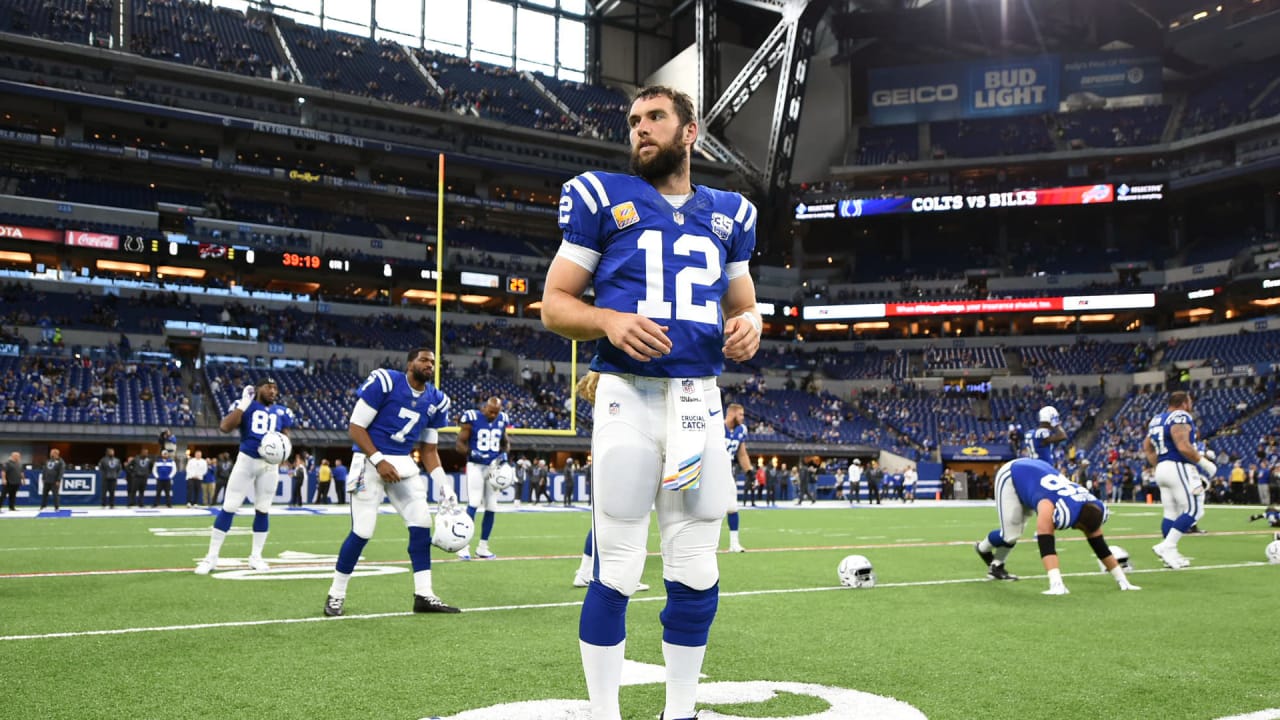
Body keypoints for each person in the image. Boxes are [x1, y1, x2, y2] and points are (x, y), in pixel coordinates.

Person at [541, 84, 761, 720]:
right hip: (628, 399)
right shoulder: (601, 197)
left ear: (689, 132)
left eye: (655, 118)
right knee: (617, 562)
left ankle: (681, 711)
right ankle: (605, 712)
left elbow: (742, 305)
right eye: (634, 120)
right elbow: (555, 303)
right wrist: (608, 322)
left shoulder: (730, 213)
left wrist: (751, 325)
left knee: (695, 567)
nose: (640, 129)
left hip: (697, 403)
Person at [323, 348, 460, 616]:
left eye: (432, 362)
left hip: (403, 464)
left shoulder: (436, 400)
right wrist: (378, 460)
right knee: (363, 531)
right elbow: (356, 427)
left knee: (421, 524)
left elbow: (430, 451)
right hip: (367, 462)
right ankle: (336, 594)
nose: (429, 365)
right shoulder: (386, 381)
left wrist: (445, 488)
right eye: (423, 360)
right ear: (410, 363)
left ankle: (424, 594)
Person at [974, 457, 1141, 594]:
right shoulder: (1052, 507)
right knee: (1010, 534)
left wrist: (1122, 580)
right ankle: (982, 548)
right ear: (1079, 523)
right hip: (1014, 473)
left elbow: (1100, 547)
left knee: (1014, 533)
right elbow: (1046, 543)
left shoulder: (1091, 508)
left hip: (1038, 475)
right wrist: (1056, 583)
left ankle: (996, 566)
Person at [194, 377, 294, 575]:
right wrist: (244, 404)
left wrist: (282, 453)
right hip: (247, 460)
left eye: (275, 388)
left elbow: (285, 438)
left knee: (263, 510)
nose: (273, 391)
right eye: (269, 387)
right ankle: (211, 557)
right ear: (258, 388)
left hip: (269, 466)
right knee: (229, 507)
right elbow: (224, 427)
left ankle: (256, 556)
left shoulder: (282, 411)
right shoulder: (246, 405)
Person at [1143, 391, 1217, 569]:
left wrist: (1158, 465)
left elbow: (1147, 447)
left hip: (1162, 468)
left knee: (1171, 513)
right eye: (1190, 401)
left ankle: (1171, 556)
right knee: (1195, 510)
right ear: (1184, 402)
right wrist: (1206, 464)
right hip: (1178, 466)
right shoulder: (1180, 416)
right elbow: (1183, 445)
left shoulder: (1157, 419)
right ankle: (1167, 546)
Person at [454, 396, 511, 560]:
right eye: (491, 411)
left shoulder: (502, 419)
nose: (493, 415)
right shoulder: (472, 417)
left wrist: (504, 456)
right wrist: (472, 453)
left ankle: (483, 547)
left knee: (492, 507)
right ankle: (463, 546)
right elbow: (459, 444)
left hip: (493, 468)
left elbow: (505, 442)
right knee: (473, 503)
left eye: (496, 412)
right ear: (484, 407)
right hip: (476, 466)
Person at [723, 402, 751, 552]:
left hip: (727, 470)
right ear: (732, 413)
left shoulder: (741, 430)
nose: (742, 418)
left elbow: (742, 453)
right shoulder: (717, 427)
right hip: (710, 470)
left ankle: (734, 543)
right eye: (740, 414)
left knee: (732, 507)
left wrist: (749, 471)